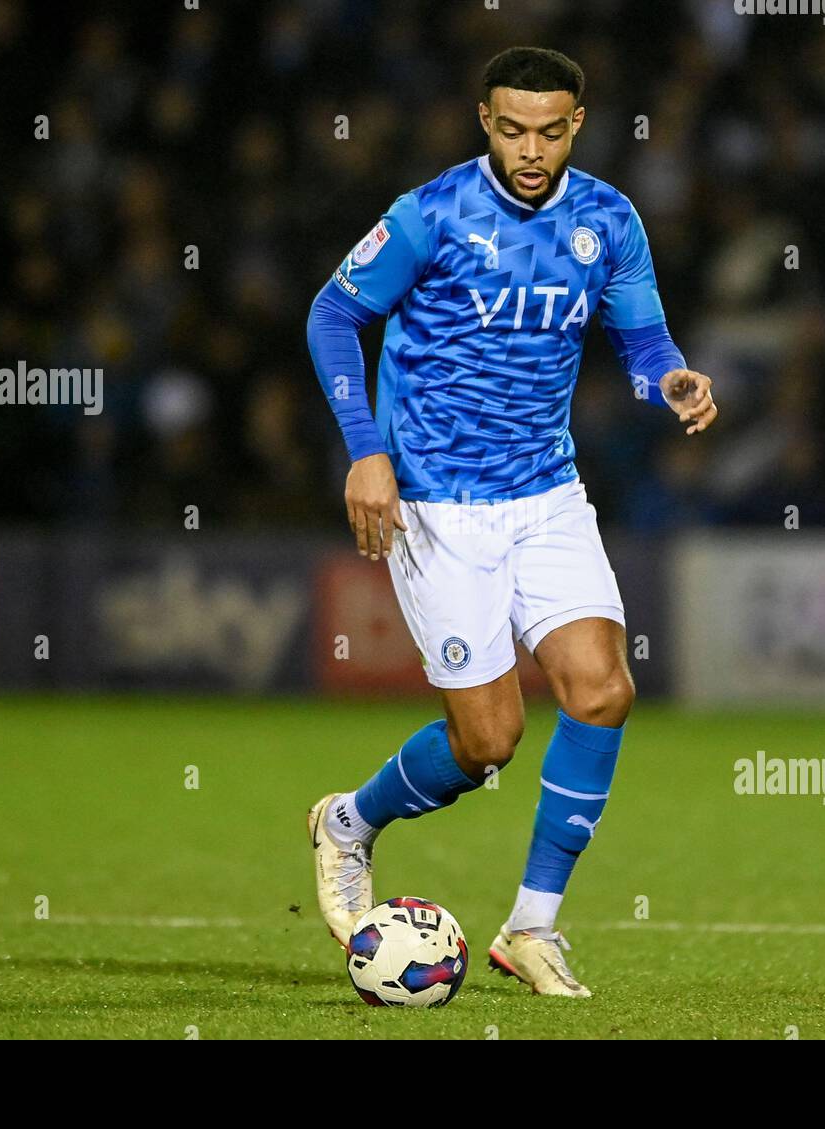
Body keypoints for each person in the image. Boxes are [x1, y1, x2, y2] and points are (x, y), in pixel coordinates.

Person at [305, 46, 717, 997]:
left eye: (551, 129)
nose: (532, 149)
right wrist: (366, 450)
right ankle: (350, 822)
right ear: (484, 121)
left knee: (603, 689)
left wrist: (672, 379)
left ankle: (532, 926)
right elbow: (333, 315)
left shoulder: (607, 219)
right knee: (489, 739)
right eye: (513, 128)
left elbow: (643, 337)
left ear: (578, 123)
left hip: (546, 495)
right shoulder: (430, 215)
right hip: (437, 507)